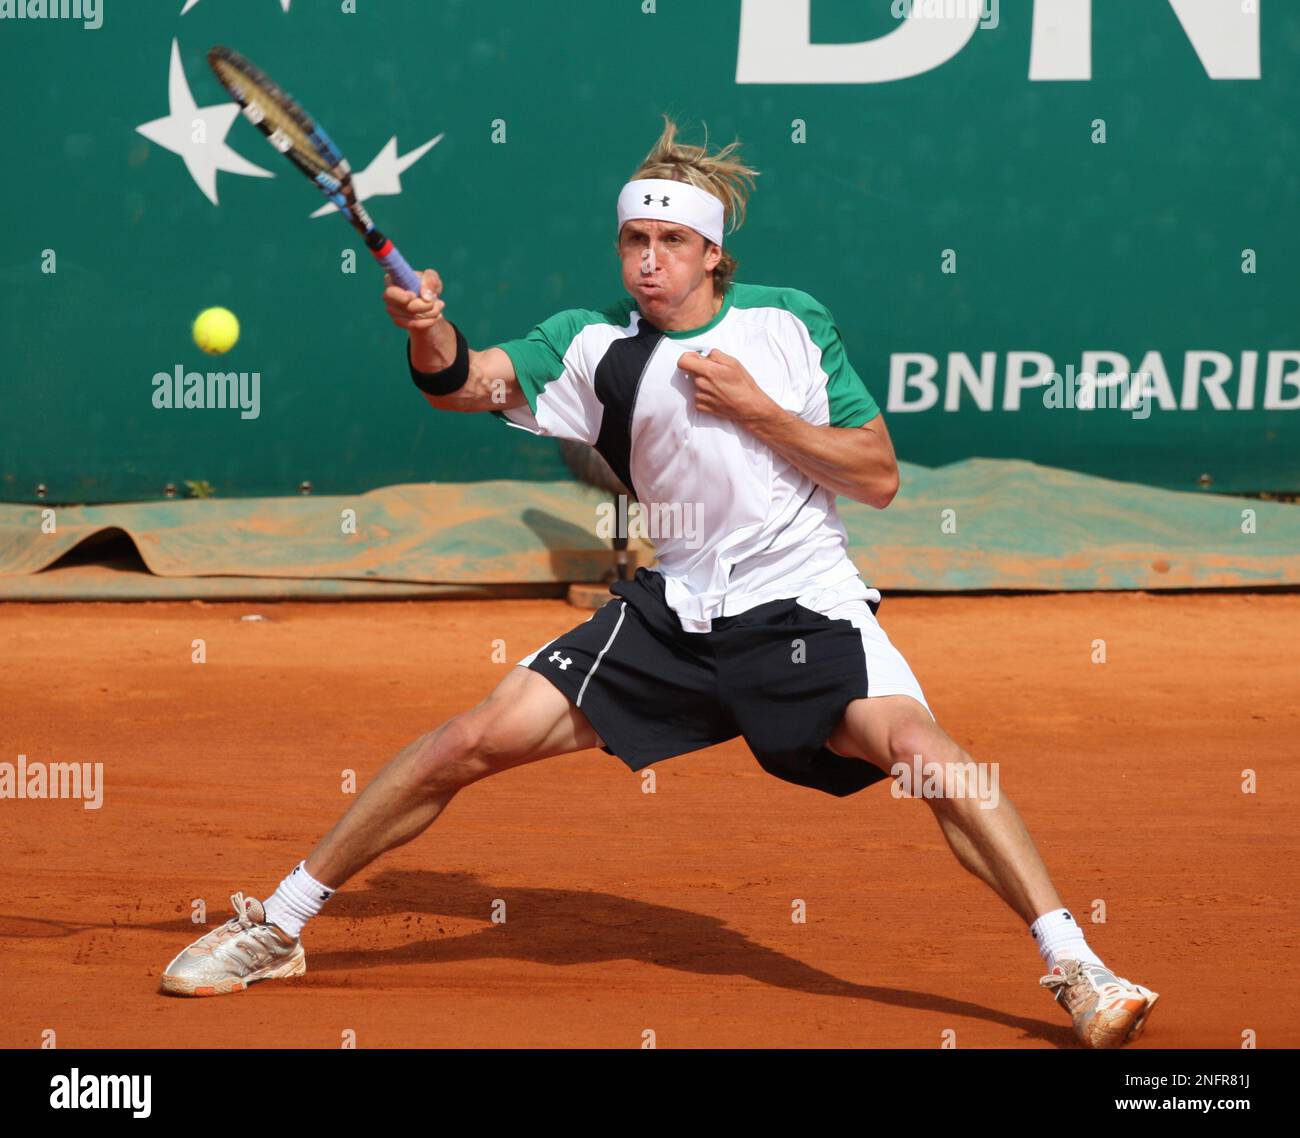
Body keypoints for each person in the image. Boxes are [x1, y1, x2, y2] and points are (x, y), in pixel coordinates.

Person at [161, 118, 1157, 1049]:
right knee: (466, 741)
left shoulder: (789, 323)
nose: (648, 260)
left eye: (671, 242)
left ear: (712, 253)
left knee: (931, 757)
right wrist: (425, 326)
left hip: (800, 607)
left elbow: (879, 475)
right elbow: (465, 381)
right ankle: (278, 925)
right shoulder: (591, 344)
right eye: (633, 240)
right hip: (672, 613)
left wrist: (759, 411)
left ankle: (1077, 965)